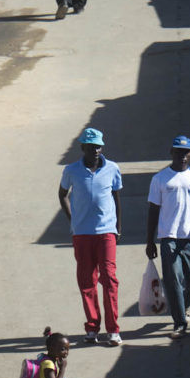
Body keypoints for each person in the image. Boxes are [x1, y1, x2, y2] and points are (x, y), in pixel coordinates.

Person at [58, 126, 123, 345]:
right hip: (82, 234)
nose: (96, 150)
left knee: (109, 279)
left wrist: (118, 227)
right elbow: (62, 195)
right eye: (91, 147)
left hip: (106, 232)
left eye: (99, 146)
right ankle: (92, 327)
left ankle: (113, 329)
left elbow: (116, 198)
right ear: (83, 147)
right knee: (87, 281)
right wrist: (72, 220)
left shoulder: (112, 168)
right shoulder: (71, 170)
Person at [145, 135, 190, 337]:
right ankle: (180, 323)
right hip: (169, 237)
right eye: (179, 152)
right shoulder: (159, 179)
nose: (183, 156)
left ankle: (184, 304)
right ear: (171, 152)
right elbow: (153, 210)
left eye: (186, 152)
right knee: (173, 280)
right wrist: (150, 241)